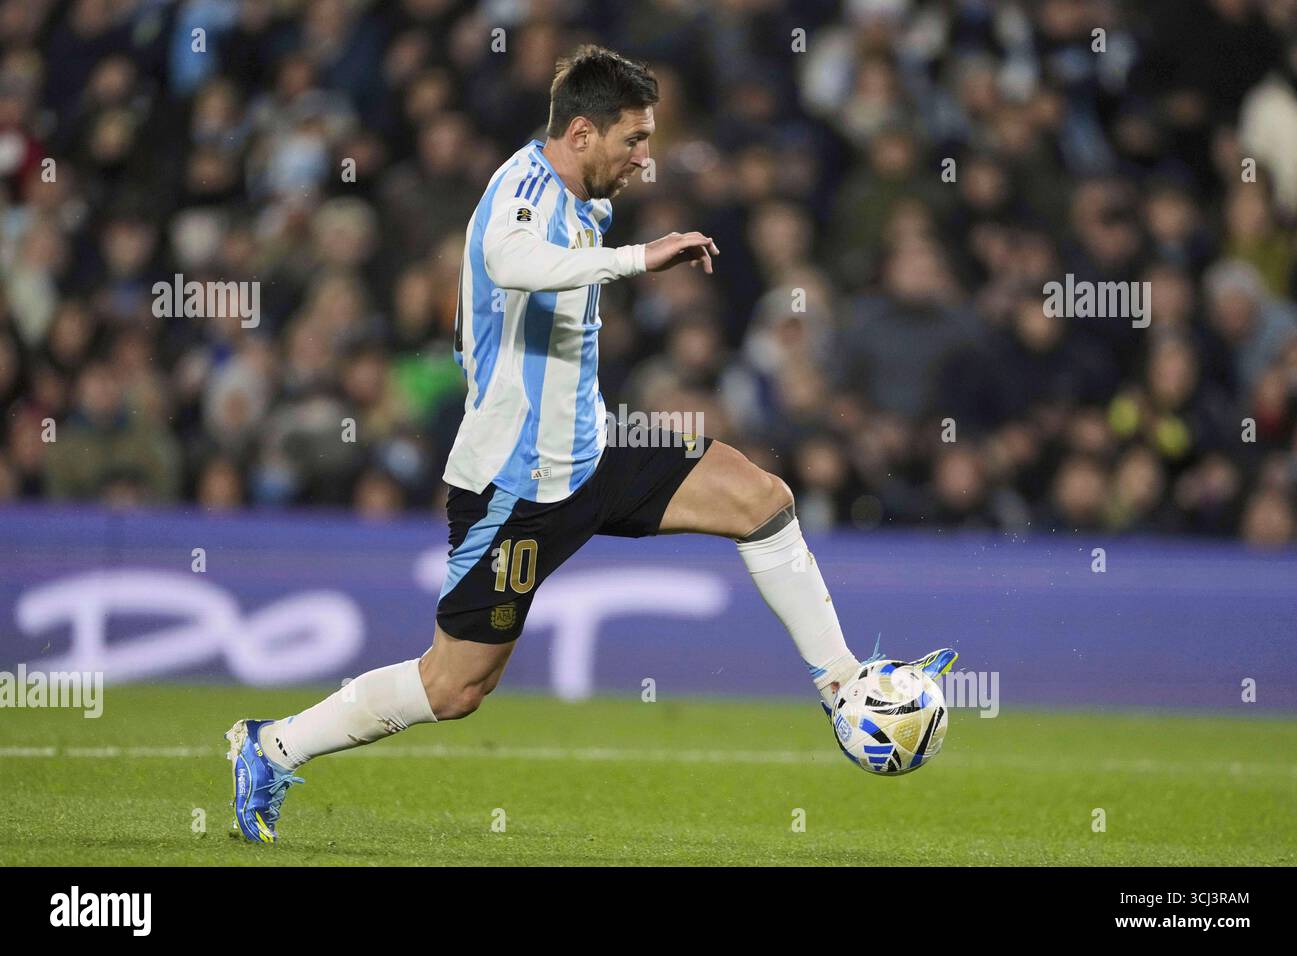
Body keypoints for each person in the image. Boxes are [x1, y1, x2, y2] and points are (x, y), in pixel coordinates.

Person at [225, 45, 953, 844]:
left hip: (591, 453)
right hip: (515, 488)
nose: (646, 158)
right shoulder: (522, 190)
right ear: (581, 132)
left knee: (762, 499)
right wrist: (642, 259)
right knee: (455, 687)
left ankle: (844, 686)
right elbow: (507, 258)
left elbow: (487, 296)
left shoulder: (589, 198)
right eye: (634, 140)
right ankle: (271, 745)